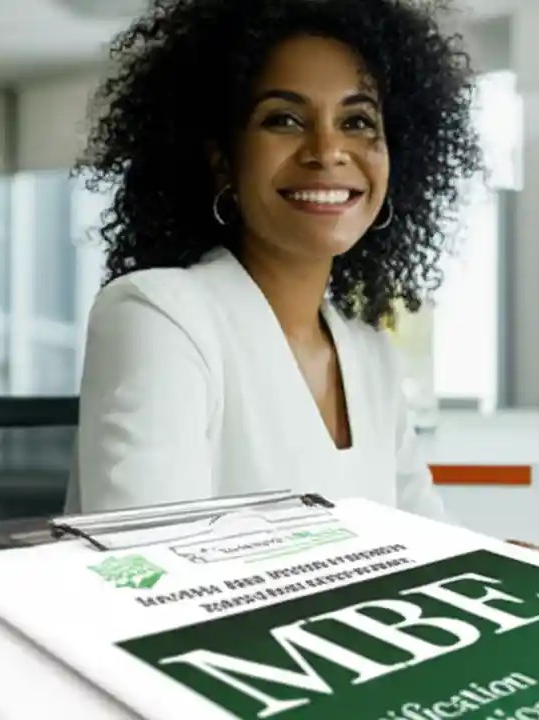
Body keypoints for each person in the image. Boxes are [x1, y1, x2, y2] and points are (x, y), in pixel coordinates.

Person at [65, 0, 494, 536]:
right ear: (223, 158)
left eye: (357, 121)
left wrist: (514, 566)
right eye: (284, 119)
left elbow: (430, 544)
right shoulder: (159, 315)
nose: (328, 150)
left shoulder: (369, 354)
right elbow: (148, 563)